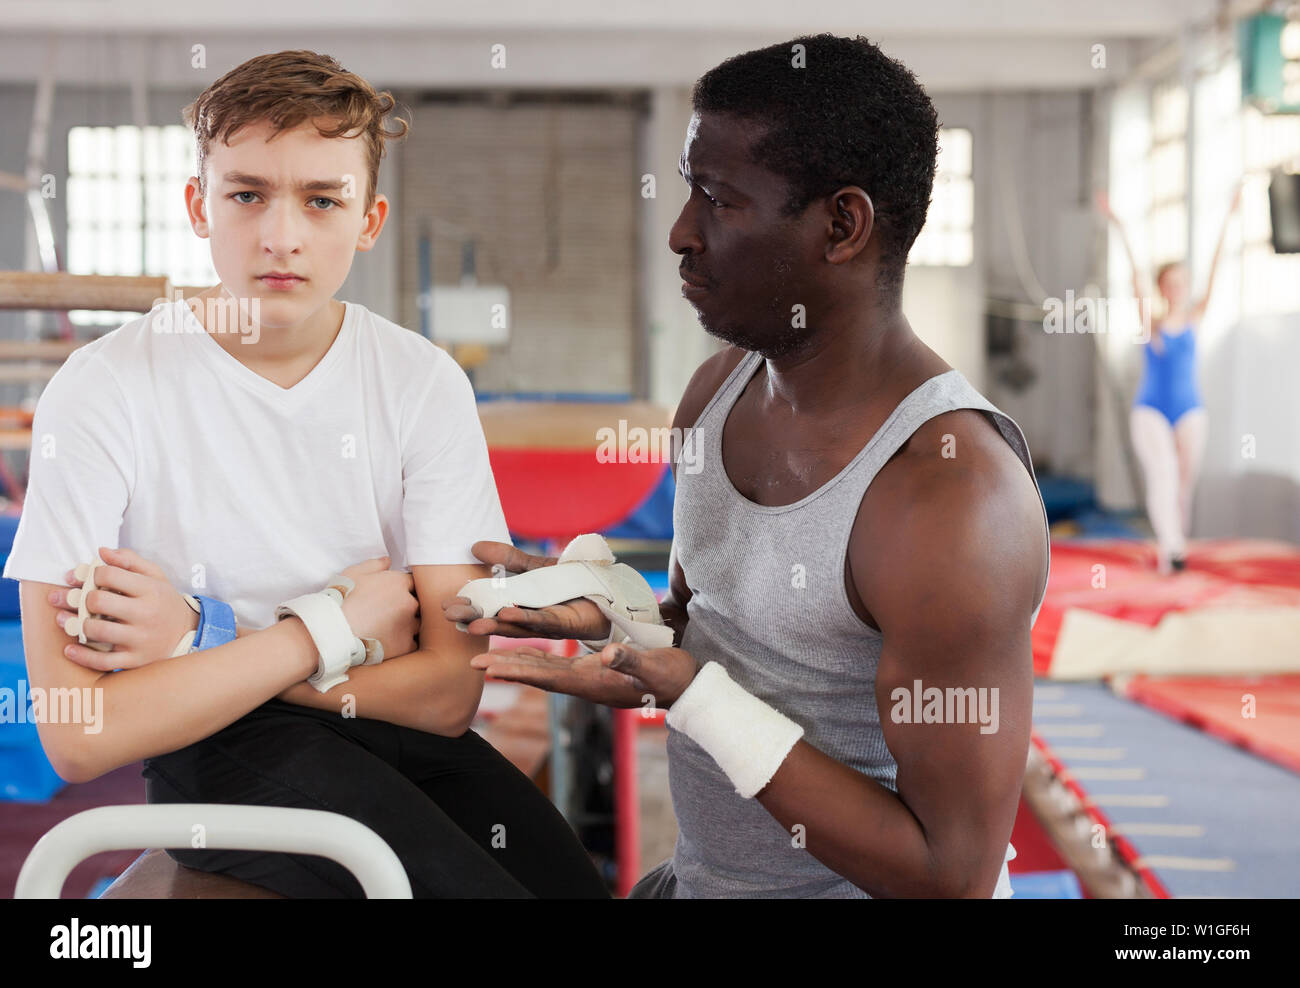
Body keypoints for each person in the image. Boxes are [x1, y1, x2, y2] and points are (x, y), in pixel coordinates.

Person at [445, 34, 1052, 898]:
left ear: (841, 226)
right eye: (692, 189)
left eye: (720, 200)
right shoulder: (719, 390)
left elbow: (948, 875)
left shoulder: (952, 499)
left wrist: (697, 700)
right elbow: (705, 632)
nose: (680, 233)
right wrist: (613, 617)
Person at [11, 50, 607, 899]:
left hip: (399, 737)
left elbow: (444, 694)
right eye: (247, 194)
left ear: (368, 219)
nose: (281, 235)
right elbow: (78, 730)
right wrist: (335, 631)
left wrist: (198, 641)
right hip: (216, 748)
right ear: (197, 205)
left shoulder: (419, 380)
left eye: (321, 200)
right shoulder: (104, 388)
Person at [1097, 184, 1241, 574]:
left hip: (1190, 409)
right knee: (1161, 477)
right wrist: (1119, 224)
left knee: (1182, 485)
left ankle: (1177, 546)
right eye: (1170, 283)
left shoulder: (1194, 319)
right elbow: (1134, 278)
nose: (1177, 289)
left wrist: (1229, 216)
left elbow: (1216, 269)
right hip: (1151, 410)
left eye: (1182, 282)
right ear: (1162, 288)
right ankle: (1170, 549)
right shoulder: (1151, 324)